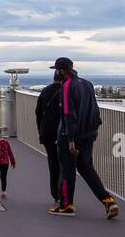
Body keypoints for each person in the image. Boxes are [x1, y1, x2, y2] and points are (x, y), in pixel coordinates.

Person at [49, 56, 120, 219]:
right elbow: (95, 109)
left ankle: (66, 205)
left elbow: (69, 114)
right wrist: (94, 131)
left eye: (57, 70)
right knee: (87, 169)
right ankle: (108, 201)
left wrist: (71, 139)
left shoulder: (67, 87)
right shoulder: (87, 84)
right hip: (88, 133)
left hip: (70, 136)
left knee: (67, 170)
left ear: (61, 70)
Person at [34, 72, 64, 209]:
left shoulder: (45, 91)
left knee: (53, 162)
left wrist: (41, 131)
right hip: (62, 131)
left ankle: (56, 194)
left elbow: (38, 112)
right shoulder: (66, 91)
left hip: (47, 132)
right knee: (64, 164)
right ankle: (64, 194)